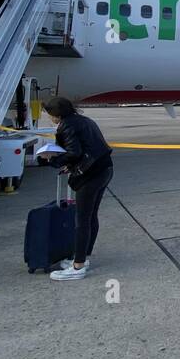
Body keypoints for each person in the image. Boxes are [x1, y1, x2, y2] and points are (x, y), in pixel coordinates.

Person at [38, 96, 112, 281]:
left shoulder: (67, 125)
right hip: (104, 169)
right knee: (91, 215)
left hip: (90, 174)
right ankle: (83, 257)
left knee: (82, 219)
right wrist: (70, 165)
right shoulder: (85, 120)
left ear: (55, 114)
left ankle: (77, 266)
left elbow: (74, 152)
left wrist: (52, 159)